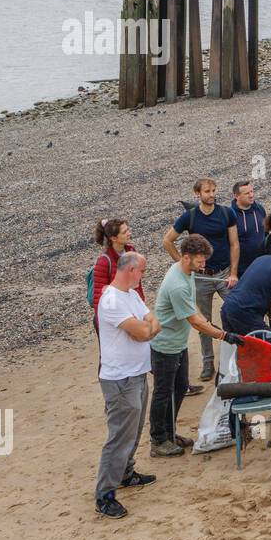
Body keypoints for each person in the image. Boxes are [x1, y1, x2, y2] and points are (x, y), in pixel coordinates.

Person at [150, 235, 242, 457]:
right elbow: (194, 320)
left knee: (180, 388)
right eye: (200, 260)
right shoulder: (177, 285)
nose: (204, 265)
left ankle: (170, 433)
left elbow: (195, 311)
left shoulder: (187, 273)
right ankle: (158, 440)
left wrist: (211, 326)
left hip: (178, 343)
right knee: (163, 393)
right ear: (186, 257)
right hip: (165, 346)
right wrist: (223, 335)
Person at [93, 251, 159, 519]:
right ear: (131, 270)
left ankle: (125, 473)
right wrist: (149, 329)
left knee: (133, 431)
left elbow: (153, 320)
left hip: (138, 373)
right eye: (142, 271)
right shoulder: (111, 300)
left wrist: (149, 327)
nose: (143, 276)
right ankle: (104, 494)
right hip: (120, 378)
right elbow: (145, 330)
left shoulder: (131, 295)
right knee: (120, 436)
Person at [162, 178, 239, 382]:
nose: (212, 194)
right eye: (207, 191)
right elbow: (168, 241)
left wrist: (233, 272)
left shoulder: (226, 213)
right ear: (197, 193)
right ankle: (208, 363)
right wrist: (183, 265)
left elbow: (234, 244)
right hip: (201, 278)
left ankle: (238, 356)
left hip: (223, 274)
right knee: (203, 321)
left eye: (214, 190)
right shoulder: (190, 216)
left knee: (236, 311)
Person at [90, 218, 145, 328]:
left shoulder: (131, 251)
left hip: (133, 309)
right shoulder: (104, 262)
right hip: (116, 316)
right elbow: (99, 297)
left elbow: (137, 283)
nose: (129, 233)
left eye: (128, 230)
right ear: (113, 238)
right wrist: (102, 323)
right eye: (124, 232)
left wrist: (141, 304)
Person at [230, 182, 267, 277]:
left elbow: (266, 232)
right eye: (247, 193)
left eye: (252, 191)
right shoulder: (230, 215)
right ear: (236, 196)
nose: (251, 195)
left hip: (262, 264)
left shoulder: (260, 209)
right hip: (242, 270)